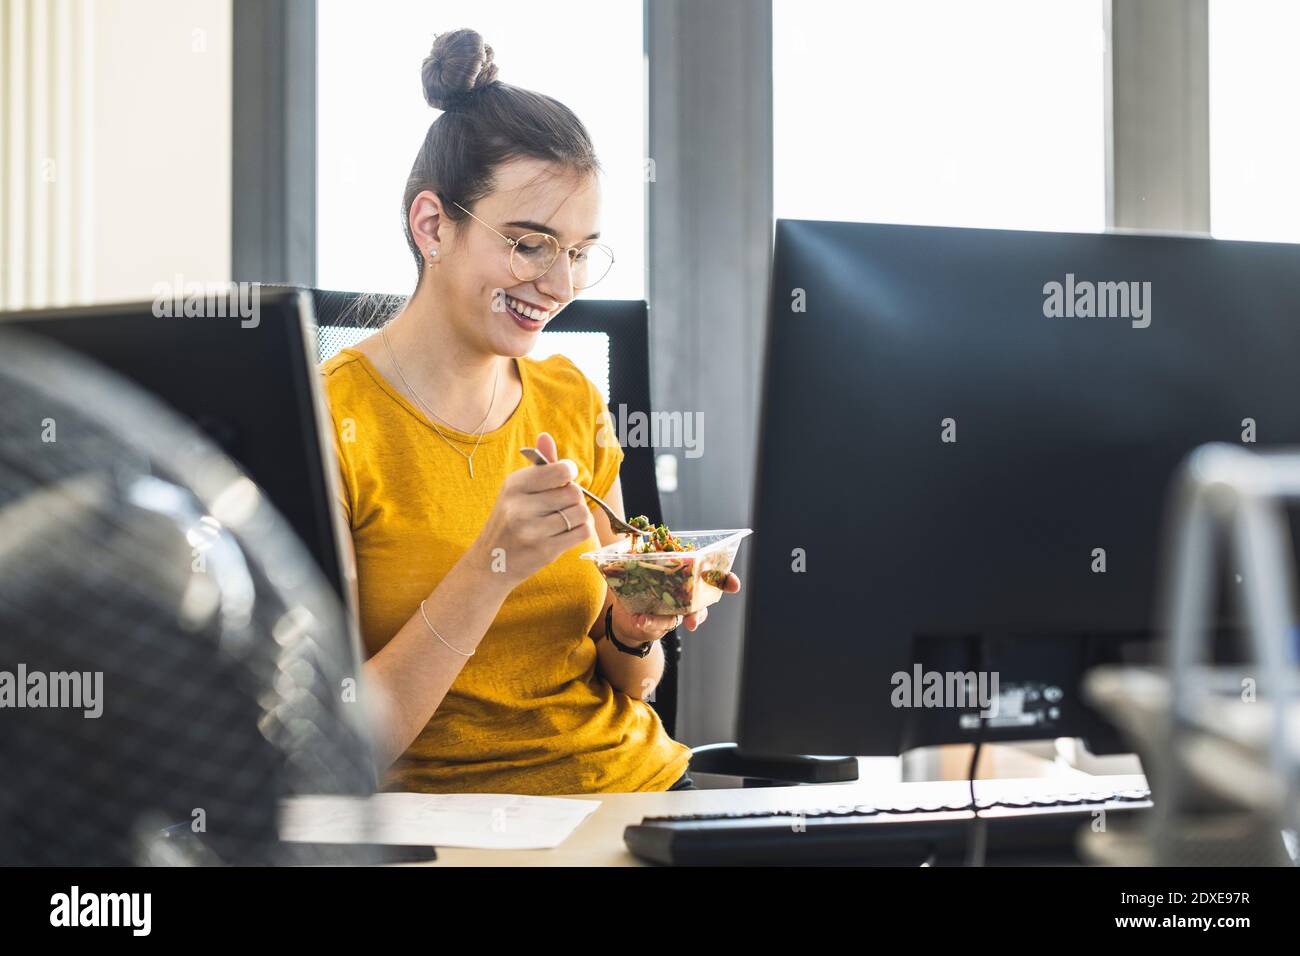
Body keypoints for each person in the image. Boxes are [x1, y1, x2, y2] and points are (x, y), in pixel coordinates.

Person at [320, 28, 741, 794]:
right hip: (452, 823)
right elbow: (341, 745)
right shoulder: (331, 420)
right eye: (529, 244)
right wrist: (492, 567)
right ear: (432, 226)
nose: (560, 283)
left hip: (629, 788)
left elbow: (631, 685)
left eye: (580, 251)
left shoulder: (568, 399)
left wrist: (633, 623)